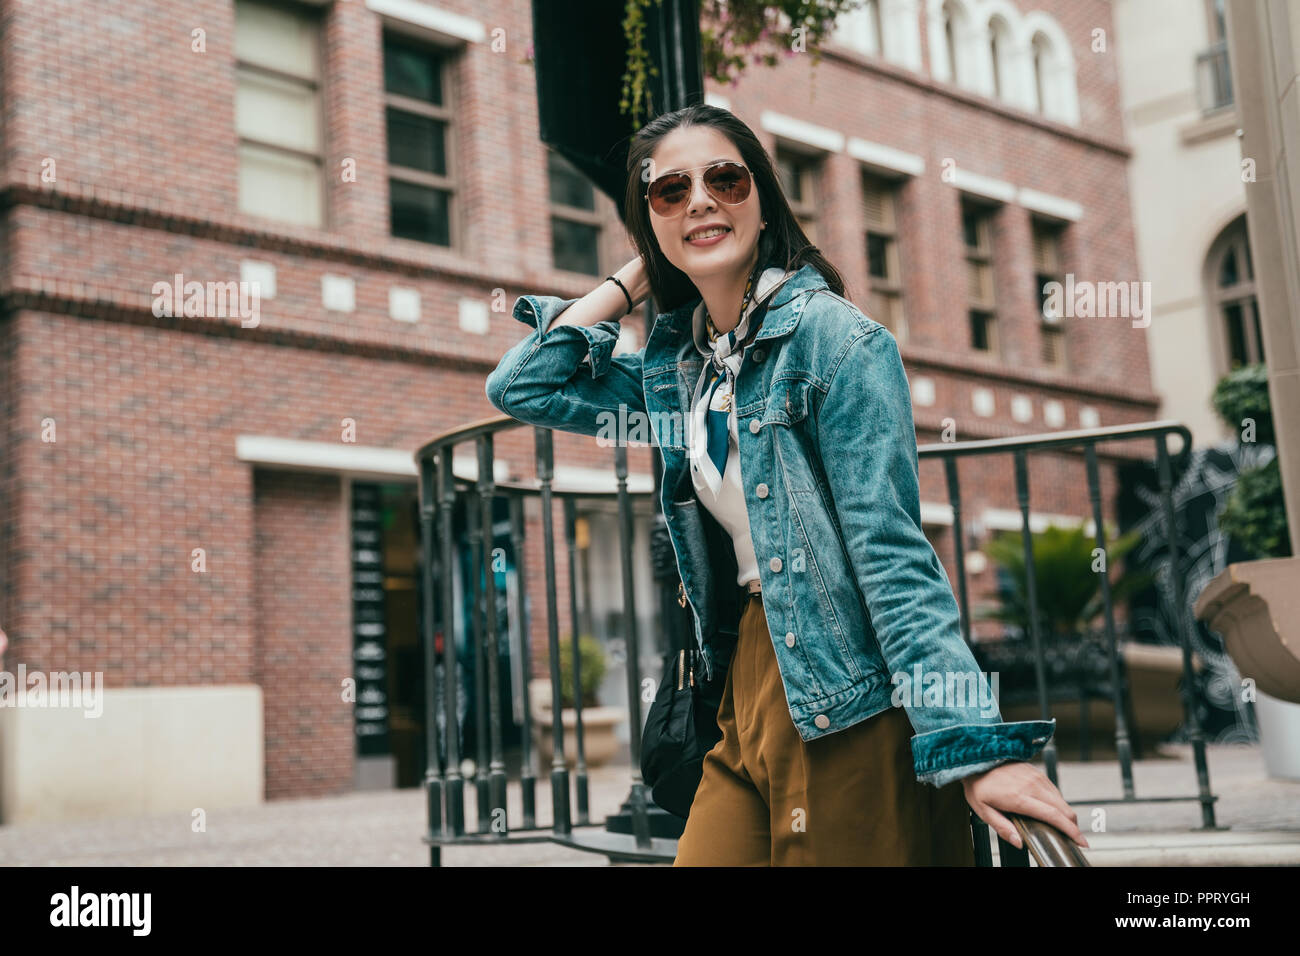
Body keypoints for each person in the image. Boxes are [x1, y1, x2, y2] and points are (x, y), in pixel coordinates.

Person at [486, 104, 1088, 865]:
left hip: (849, 698)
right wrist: (639, 270)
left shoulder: (838, 343)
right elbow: (522, 384)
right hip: (745, 690)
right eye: (669, 192)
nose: (700, 199)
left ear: (763, 200)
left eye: (725, 179)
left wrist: (975, 743)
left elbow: (894, 557)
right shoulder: (684, 373)